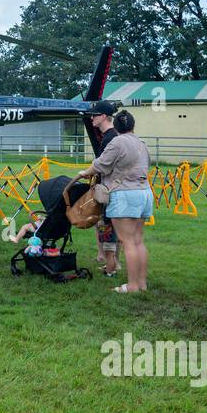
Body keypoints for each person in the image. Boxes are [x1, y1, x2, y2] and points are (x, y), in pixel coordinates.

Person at [77, 109, 152, 293]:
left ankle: (133, 285)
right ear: (133, 125)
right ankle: (142, 284)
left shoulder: (117, 142)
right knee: (138, 241)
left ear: (116, 125)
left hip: (125, 194)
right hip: (144, 193)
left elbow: (101, 164)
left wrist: (84, 173)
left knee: (128, 242)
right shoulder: (142, 143)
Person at [87, 100, 122, 277]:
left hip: (110, 189)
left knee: (105, 226)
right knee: (109, 225)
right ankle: (112, 261)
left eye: (94, 114)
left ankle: (112, 266)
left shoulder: (110, 137)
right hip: (112, 187)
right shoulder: (111, 136)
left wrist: (87, 172)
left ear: (103, 116)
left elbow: (103, 166)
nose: (91, 118)